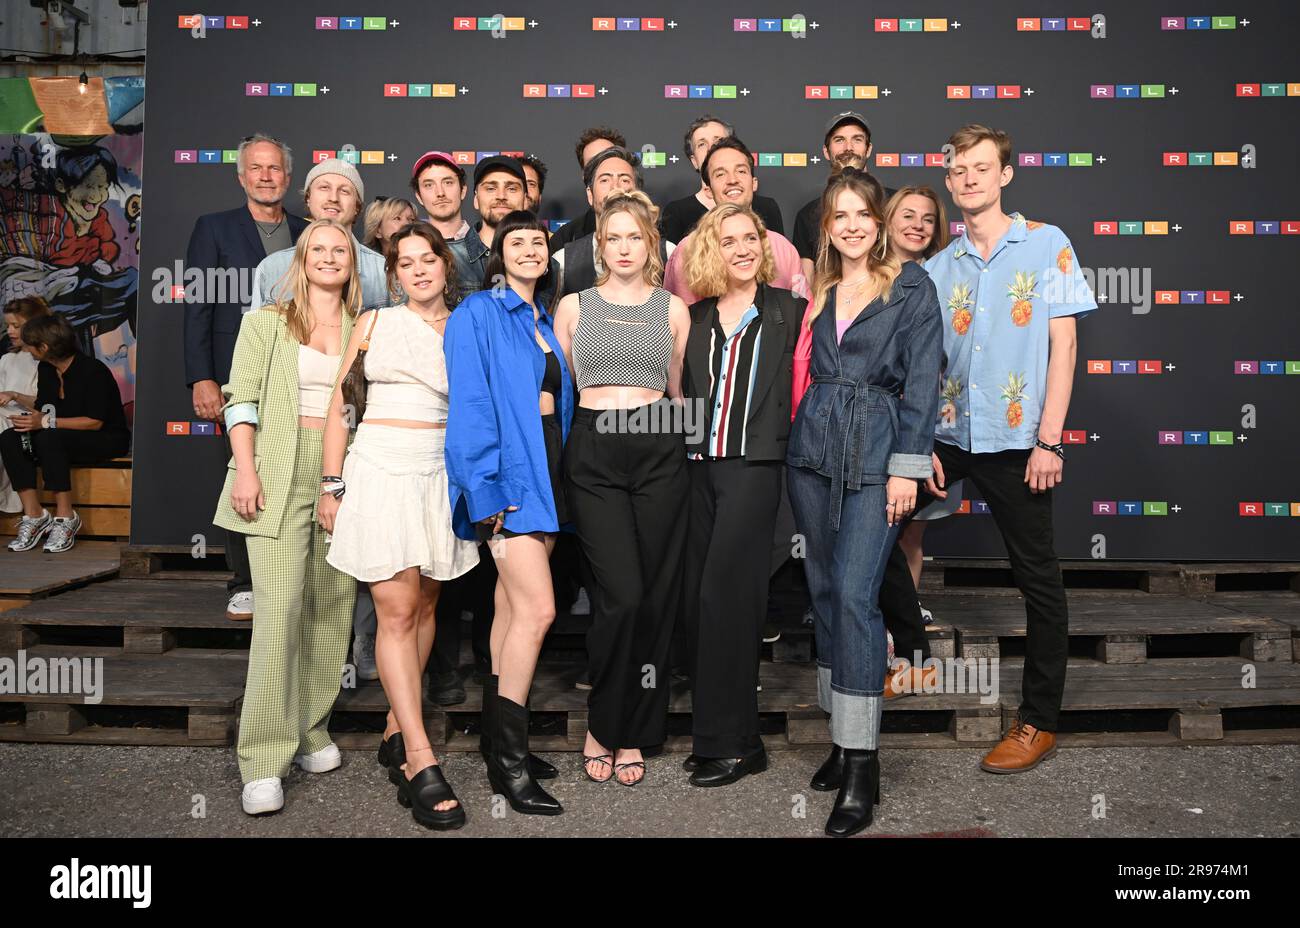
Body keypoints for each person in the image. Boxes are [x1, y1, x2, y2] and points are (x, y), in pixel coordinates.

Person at [919, 124, 1094, 774]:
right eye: (959, 169)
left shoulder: (1047, 245)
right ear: (949, 178)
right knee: (870, 529)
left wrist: (1050, 440)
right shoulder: (939, 267)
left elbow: (1064, 345)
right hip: (949, 435)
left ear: (1005, 174)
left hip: (1021, 442)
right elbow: (923, 366)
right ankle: (906, 663)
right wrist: (917, 448)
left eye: (980, 168)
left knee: (1038, 580)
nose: (969, 179)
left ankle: (1038, 722)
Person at [786, 169, 942, 836]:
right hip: (812, 452)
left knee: (854, 596)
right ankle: (840, 740)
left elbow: (924, 381)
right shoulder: (819, 288)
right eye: (838, 215)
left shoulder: (911, 286)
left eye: (862, 214)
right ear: (827, 227)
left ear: (878, 224)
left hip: (878, 452)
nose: (851, 224)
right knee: (822, 593)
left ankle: (862, 767)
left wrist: (907, 467)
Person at [319, 222, 479, 829]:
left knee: (425, 602)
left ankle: (393, 726)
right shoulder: (375, 324)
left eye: (427, 259)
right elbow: (341, 410)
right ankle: (419, 757)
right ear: (393, 276)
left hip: (438, 475)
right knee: (394, 608)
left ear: (446, 265)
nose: (417, 269)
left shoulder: (466, 328)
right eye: (404, 262)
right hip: (380, 469)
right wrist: (331, 485)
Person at [213, 218, 361, 816]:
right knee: (278, 616)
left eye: (340, 250)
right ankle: (262, 758)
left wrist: (342, 481)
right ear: (300, 261)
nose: (329, 257)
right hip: (274, 469)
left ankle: (309, 730)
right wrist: (245, 470)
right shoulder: (266, 322)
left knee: (332, 609)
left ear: (354, 263)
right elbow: (239, 399)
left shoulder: (361, 328)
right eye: (318, 249)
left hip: (340, 475)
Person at [553, 190, 691, 787]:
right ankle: (603, 723)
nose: (626, 247)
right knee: (621, 596)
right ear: (599, 247)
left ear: (650, 244)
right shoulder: (574, 305)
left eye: (636, 236)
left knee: (658, 596)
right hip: (595, 445)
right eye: (615, 238)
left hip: (659, 444)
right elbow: (557, 396)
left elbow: (681, 394)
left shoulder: (673, 308)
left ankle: (638, 729)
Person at [444, 210, 571, 815]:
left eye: (538, 242)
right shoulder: (478, 314)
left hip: (547, 478)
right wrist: (486, 489)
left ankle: (498, 742)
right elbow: (470, 404)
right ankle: (511, 771)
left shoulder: (544, 319)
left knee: (506, 613)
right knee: (537, 610)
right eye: (516, 241)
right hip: (510, 482)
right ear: (497, 252)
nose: (528, 250)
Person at [676, 203, 803, 787]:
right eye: (727, 240)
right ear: (711, 250)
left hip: (755, 469)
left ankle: (738, 743)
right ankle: (714, 736)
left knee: (731, 600)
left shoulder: (791, 312)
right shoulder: (694, 317)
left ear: (764, 244)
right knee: (702, 602)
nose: (741, 248)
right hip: (700, 470)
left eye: (749, 237)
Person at [185, 133, 308, 621]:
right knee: (244, 472)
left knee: (292, 473)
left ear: (288, 177)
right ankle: (245, 582)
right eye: (255, 168)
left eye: (274, 168)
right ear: (241, 177)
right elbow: (198, 307)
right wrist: (202, 377)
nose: (265, 176)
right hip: (236, 375)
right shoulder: (212, 228)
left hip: (298, 376)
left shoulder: (308, 231)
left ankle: (292, 577)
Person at [877, 186, 953, 700]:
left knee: (882, 545)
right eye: (908, 215)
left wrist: (918, 444)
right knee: (875, 548)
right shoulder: (867, 275)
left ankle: (913, 657)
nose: (918, 225)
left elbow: (928, 372)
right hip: (867, 432)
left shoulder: (935, 280)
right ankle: (903, 656)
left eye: (928, 219)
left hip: (911, 436)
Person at [1, 313, 130, 553]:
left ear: (44, 347)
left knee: (50, 436)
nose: (27, 350)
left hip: (104, 439)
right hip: (62, 434)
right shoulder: (47, 368)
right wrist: (20, 404)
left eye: (30, 346)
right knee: (10, 437)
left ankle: (66, 516)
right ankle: (35, 514)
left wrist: (46, 422)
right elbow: (44, 407)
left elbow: (94, 423)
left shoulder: (93, 371)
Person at [663, 136, 809, 305]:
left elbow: (803, 318)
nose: (732, 180)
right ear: (708, 190)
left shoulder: (783, 248)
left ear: (754, 183)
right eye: (720, 174)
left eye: (741, 171)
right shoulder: (687, 252)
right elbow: (676, 321)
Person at [248, 158, 389, 313]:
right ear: (308, 198)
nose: (333, 198)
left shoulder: (382, 271)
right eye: (324, 187)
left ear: (357, 206)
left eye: (344, 191)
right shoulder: (272, 268)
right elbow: (258, 331)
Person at [792, 112, 896, 287]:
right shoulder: (808, 214)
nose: (848, 147)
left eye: (857, 139)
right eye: (839, 140)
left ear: (868, 148)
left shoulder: (895, 203)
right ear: (826, 151)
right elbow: (805, 287)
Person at [555, 146, 672, 297]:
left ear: (637, 192)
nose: (615, 187)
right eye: (604, 180)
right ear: (590, 195)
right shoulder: (564, 261)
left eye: (624, 179)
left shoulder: (669, 254)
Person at [659, 115, 784, 244]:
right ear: (694, 161)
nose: (710, 149)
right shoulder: (677, 212)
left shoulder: (767, 207)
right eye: (702, 144)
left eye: (718, 141)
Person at [0, 296, 49, 513]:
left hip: (30, 426)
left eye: (16, 326)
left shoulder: (46, 361)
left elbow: (46, 405)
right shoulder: (6, 360)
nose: (10, 331)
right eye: (7, 325)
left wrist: (15, 395)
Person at [547, 126, 626, 254]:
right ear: (585, 176)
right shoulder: (565, 240)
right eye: (593, 163)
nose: (603, 168)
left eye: (608, 158)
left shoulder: (656, 235)